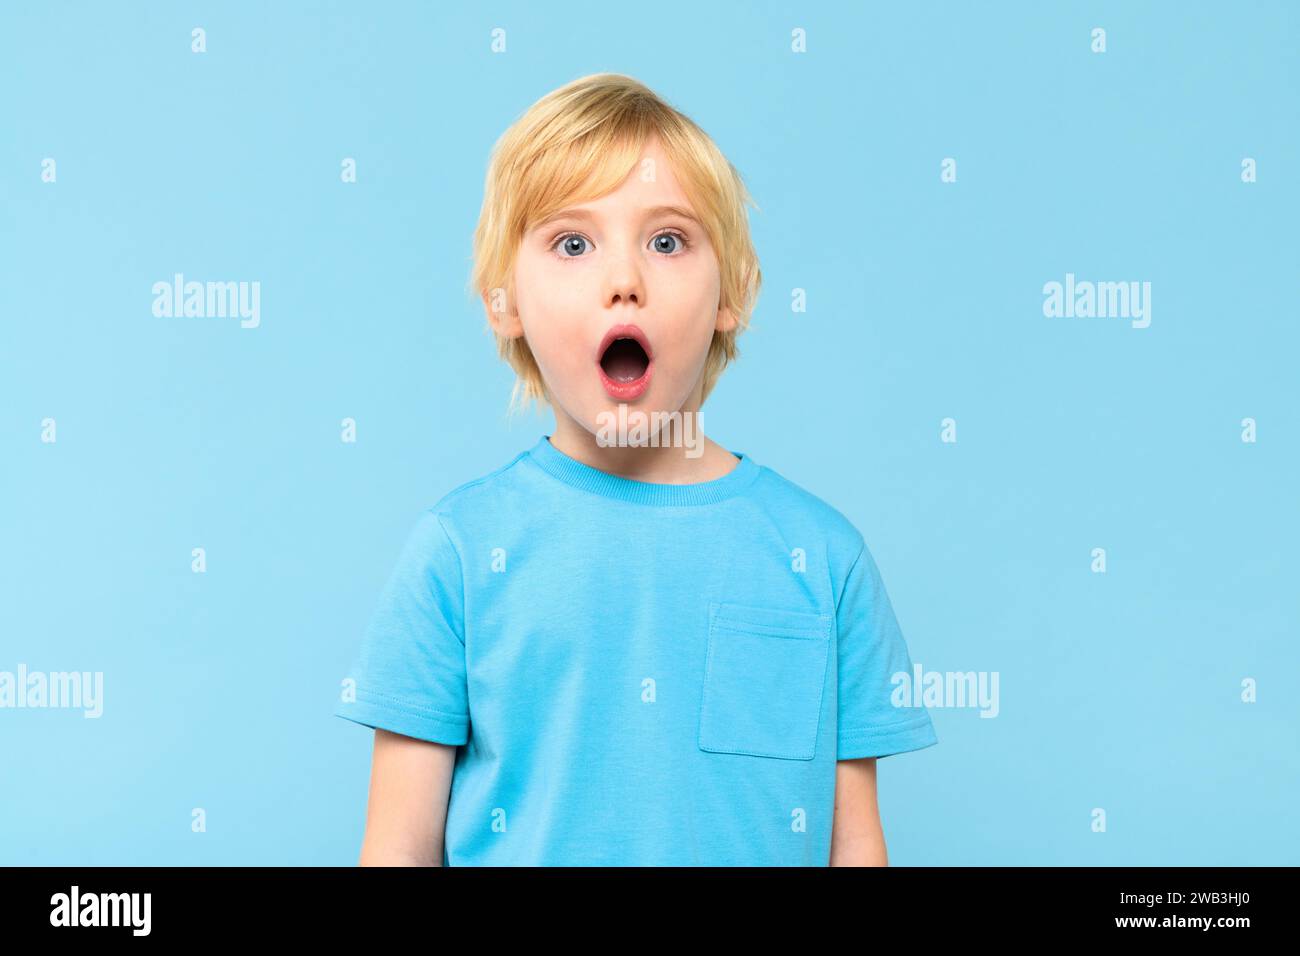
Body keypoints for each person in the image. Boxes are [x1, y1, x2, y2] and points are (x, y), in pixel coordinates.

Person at [334, 72, 937, 866]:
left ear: (734, 292)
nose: (626, 281)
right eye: (573, 243)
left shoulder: (823, 560)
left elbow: (855, 848)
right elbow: (396, 853)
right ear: (503, 301)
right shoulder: (457, 556)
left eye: (667, 241)